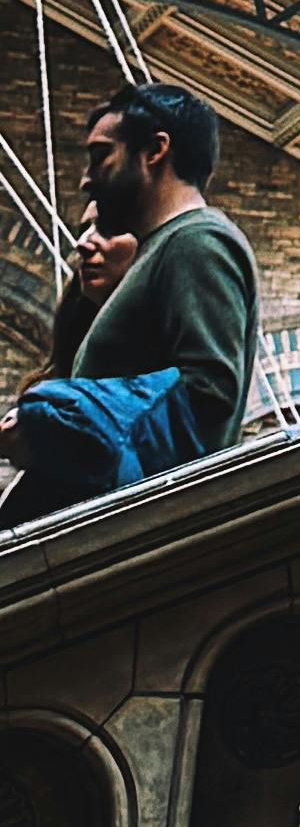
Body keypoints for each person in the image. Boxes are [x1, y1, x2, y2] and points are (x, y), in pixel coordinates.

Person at [3, 78, 258, 513]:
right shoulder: (166, 249)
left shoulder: (198, 241)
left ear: (155, 151)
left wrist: (51, 420)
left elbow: (209, 391)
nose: (86, 180)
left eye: (101, 156)